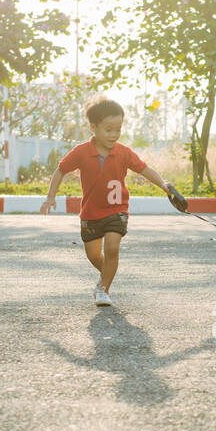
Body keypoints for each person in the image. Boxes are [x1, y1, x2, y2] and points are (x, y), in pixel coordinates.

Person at [40, 95, 188, 305]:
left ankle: (103, 289)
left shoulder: (124, 153)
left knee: (112, 248)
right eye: (108, 130)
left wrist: (164, 185)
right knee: (93, 255)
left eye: (118, 129)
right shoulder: (81, 152)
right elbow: (60, 170)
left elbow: (144, 169)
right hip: (91, 214)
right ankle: (106, 275)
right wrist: (50, 197)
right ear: (93, 127)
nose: (114, 135)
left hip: (116, 210)